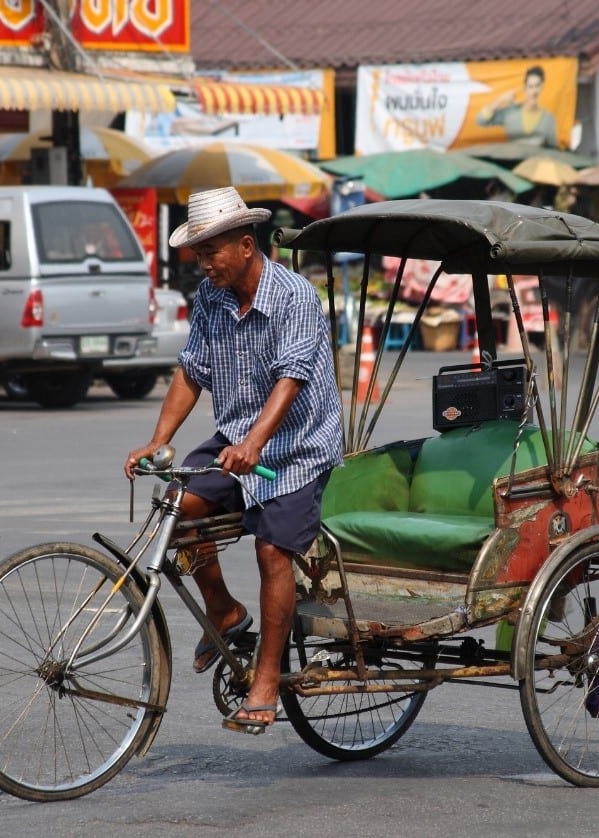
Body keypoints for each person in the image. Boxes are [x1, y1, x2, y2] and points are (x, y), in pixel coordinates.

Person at [123, 186, 343, 735]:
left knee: (274, 550)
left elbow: (293, 377)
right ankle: (223, 609)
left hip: (298, 446)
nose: (204, 264)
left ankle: (266, 681)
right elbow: (192, 371)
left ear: (246, 245)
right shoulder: (211, 298)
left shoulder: (294, 298)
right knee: (176, 505)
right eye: (198, 254)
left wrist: (256, 445)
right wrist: (159, 438)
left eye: (211, 252)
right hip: (236, 438)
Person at [476, 65, 559, 148]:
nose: (534, 91)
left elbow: (552, 150)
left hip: (536, 159)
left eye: (537, 85)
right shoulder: (511, 112)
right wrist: (500, 100)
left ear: (542, 87)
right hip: (511, 159)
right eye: (530, 86)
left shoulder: (549, 119)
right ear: (525, 88)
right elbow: (481, 120)